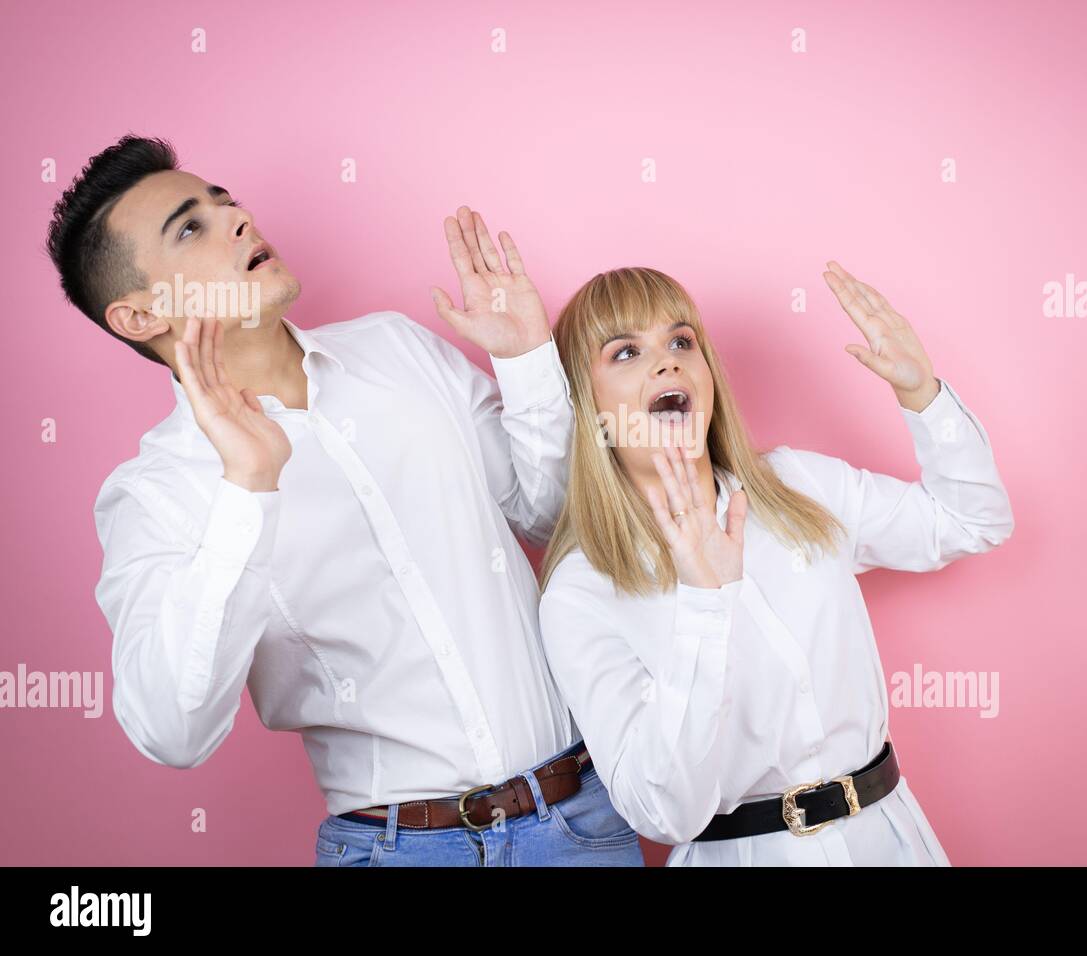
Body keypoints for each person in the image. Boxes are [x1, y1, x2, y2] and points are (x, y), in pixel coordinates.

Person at [46, 134, 643, 866]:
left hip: (580, 818)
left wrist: (524, 360)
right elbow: (172, 730)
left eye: (225, 201)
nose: (238, 219)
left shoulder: (398, 349)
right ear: (140, 316)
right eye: (191, 227)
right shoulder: (156, 493)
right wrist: (247, 490)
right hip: (398, 852)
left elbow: (548, 519)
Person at [536, 264, 1014, 865]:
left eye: (681, 341)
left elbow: (973, 521)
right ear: (589, 405)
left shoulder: (797, 485)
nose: (667, 362)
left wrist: (923, 395)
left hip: (890, 843)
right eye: (626, 351)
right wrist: (705, 603)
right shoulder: (581, 591)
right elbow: (662, 812)